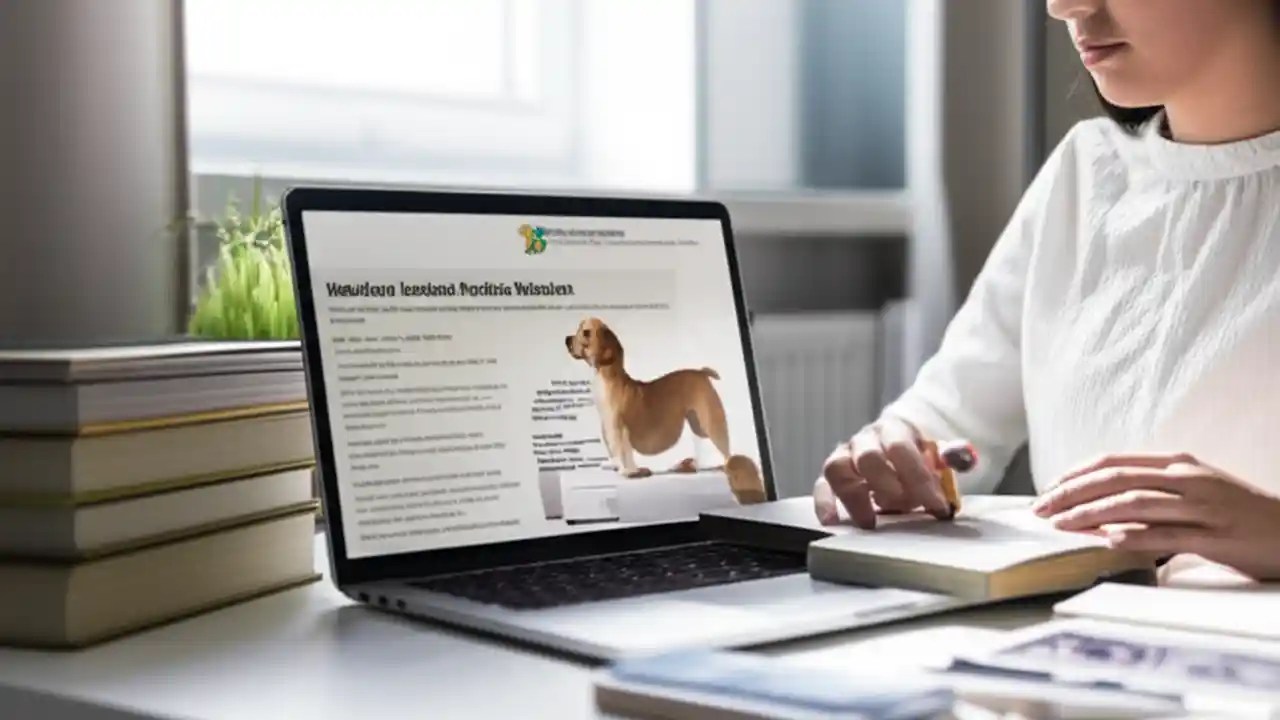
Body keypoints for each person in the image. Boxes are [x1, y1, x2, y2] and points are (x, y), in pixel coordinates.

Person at [813, 0, 1280, 581]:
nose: (1065, 7)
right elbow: (958, 433)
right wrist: (896, 457)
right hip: (1069, 648)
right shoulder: (1085, 175)